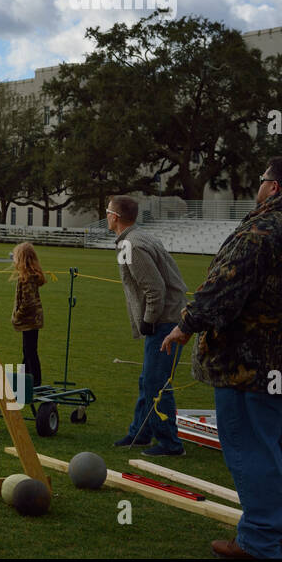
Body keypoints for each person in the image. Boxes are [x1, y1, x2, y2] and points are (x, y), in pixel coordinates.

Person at [161, 157, 282, 558]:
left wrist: (186, 324)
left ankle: (259, 539)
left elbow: (224, 287)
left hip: (252, 365)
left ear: (275, 186)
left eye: (262, 180)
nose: (258, 187)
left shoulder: (263, 228)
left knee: (253, 449)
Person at [107, 195, 188, 455]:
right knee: (148, 379)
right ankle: (140, 433)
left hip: (164, 321)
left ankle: (169, 443)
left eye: (108, 211)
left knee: (156, 383)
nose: (106, 215)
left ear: (115, 217)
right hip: (167, 317)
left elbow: (155, 289)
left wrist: (148, 320)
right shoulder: (140, 238)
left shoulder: (132, 245)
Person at [9, 242, 45, 389]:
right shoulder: (28, 275)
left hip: (30, 320)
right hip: (32, 320)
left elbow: (27, 302)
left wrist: (17, 316)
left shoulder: (27, 277)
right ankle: (24, 377)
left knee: (30, 350)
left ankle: (35, 380)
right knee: (28, 350)